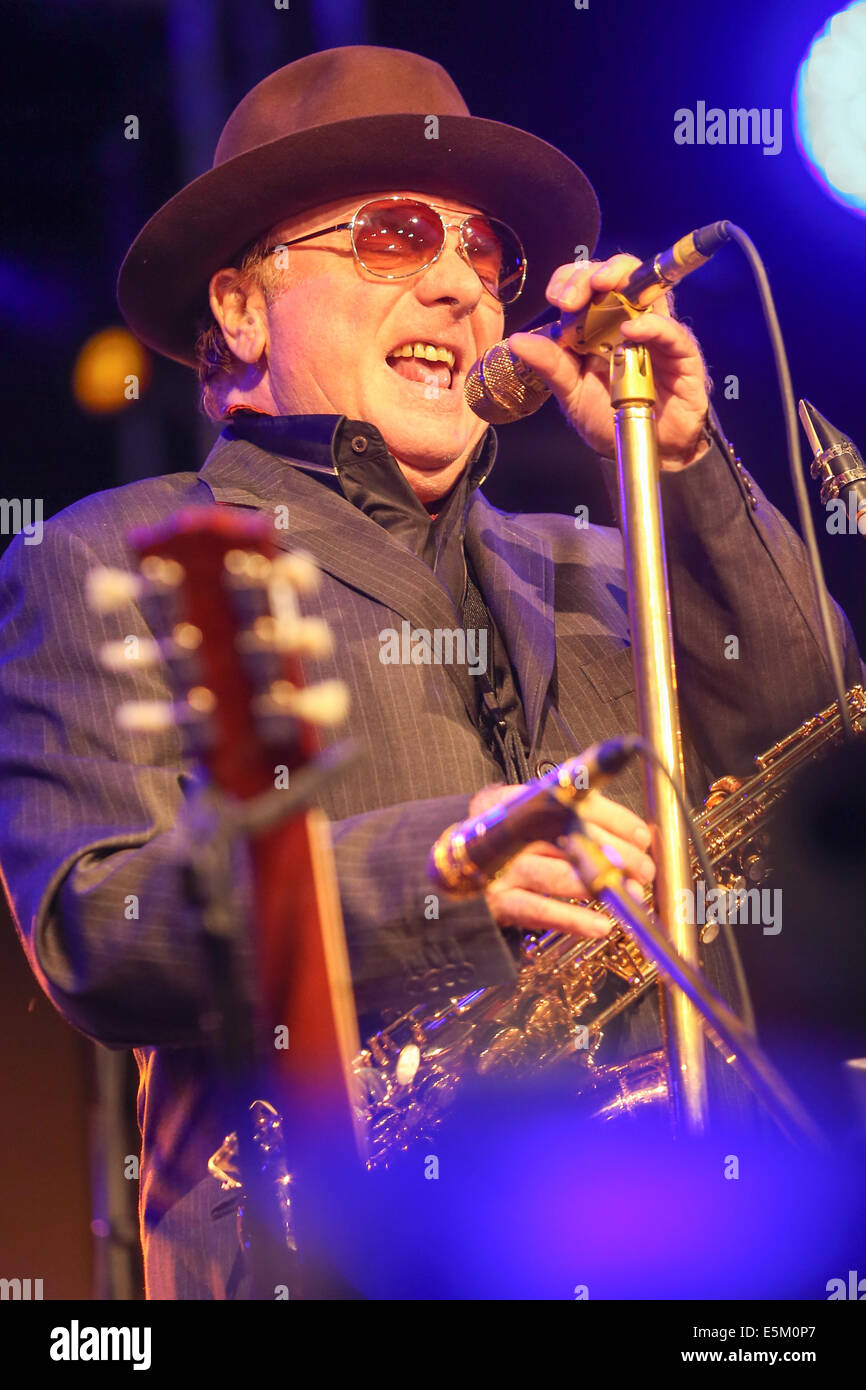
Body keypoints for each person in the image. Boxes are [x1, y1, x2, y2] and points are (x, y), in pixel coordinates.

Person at [0, 45, 862, 1300]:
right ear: (240, 309)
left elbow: (810, 754)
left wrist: (679, 465)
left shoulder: (607, 553)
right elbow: (96, 927)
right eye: (399, 235)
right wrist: (444, 869)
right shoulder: (105, 555)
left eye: (485, 252)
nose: (464, 285)